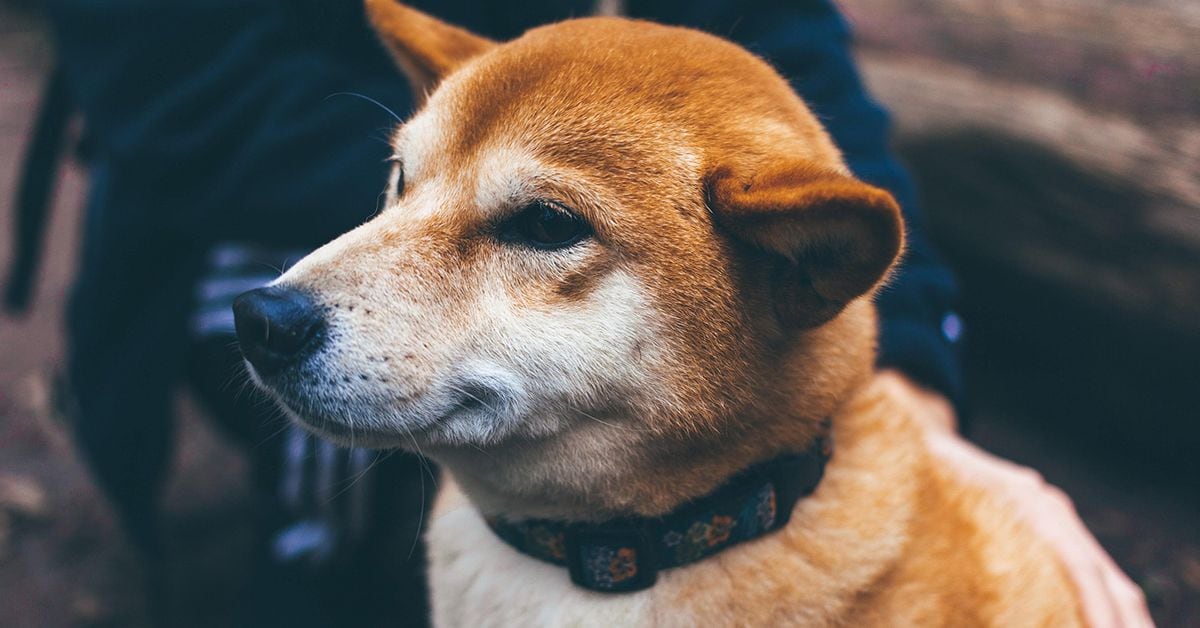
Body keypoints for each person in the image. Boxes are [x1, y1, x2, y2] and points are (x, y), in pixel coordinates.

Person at [15, 0, 1147, 625]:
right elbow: (187, 103)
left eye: (543, 226)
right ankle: (312, 545)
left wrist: (914, 377)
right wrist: (482, 151)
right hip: (225, 189)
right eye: (401, 174)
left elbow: (780, 45)